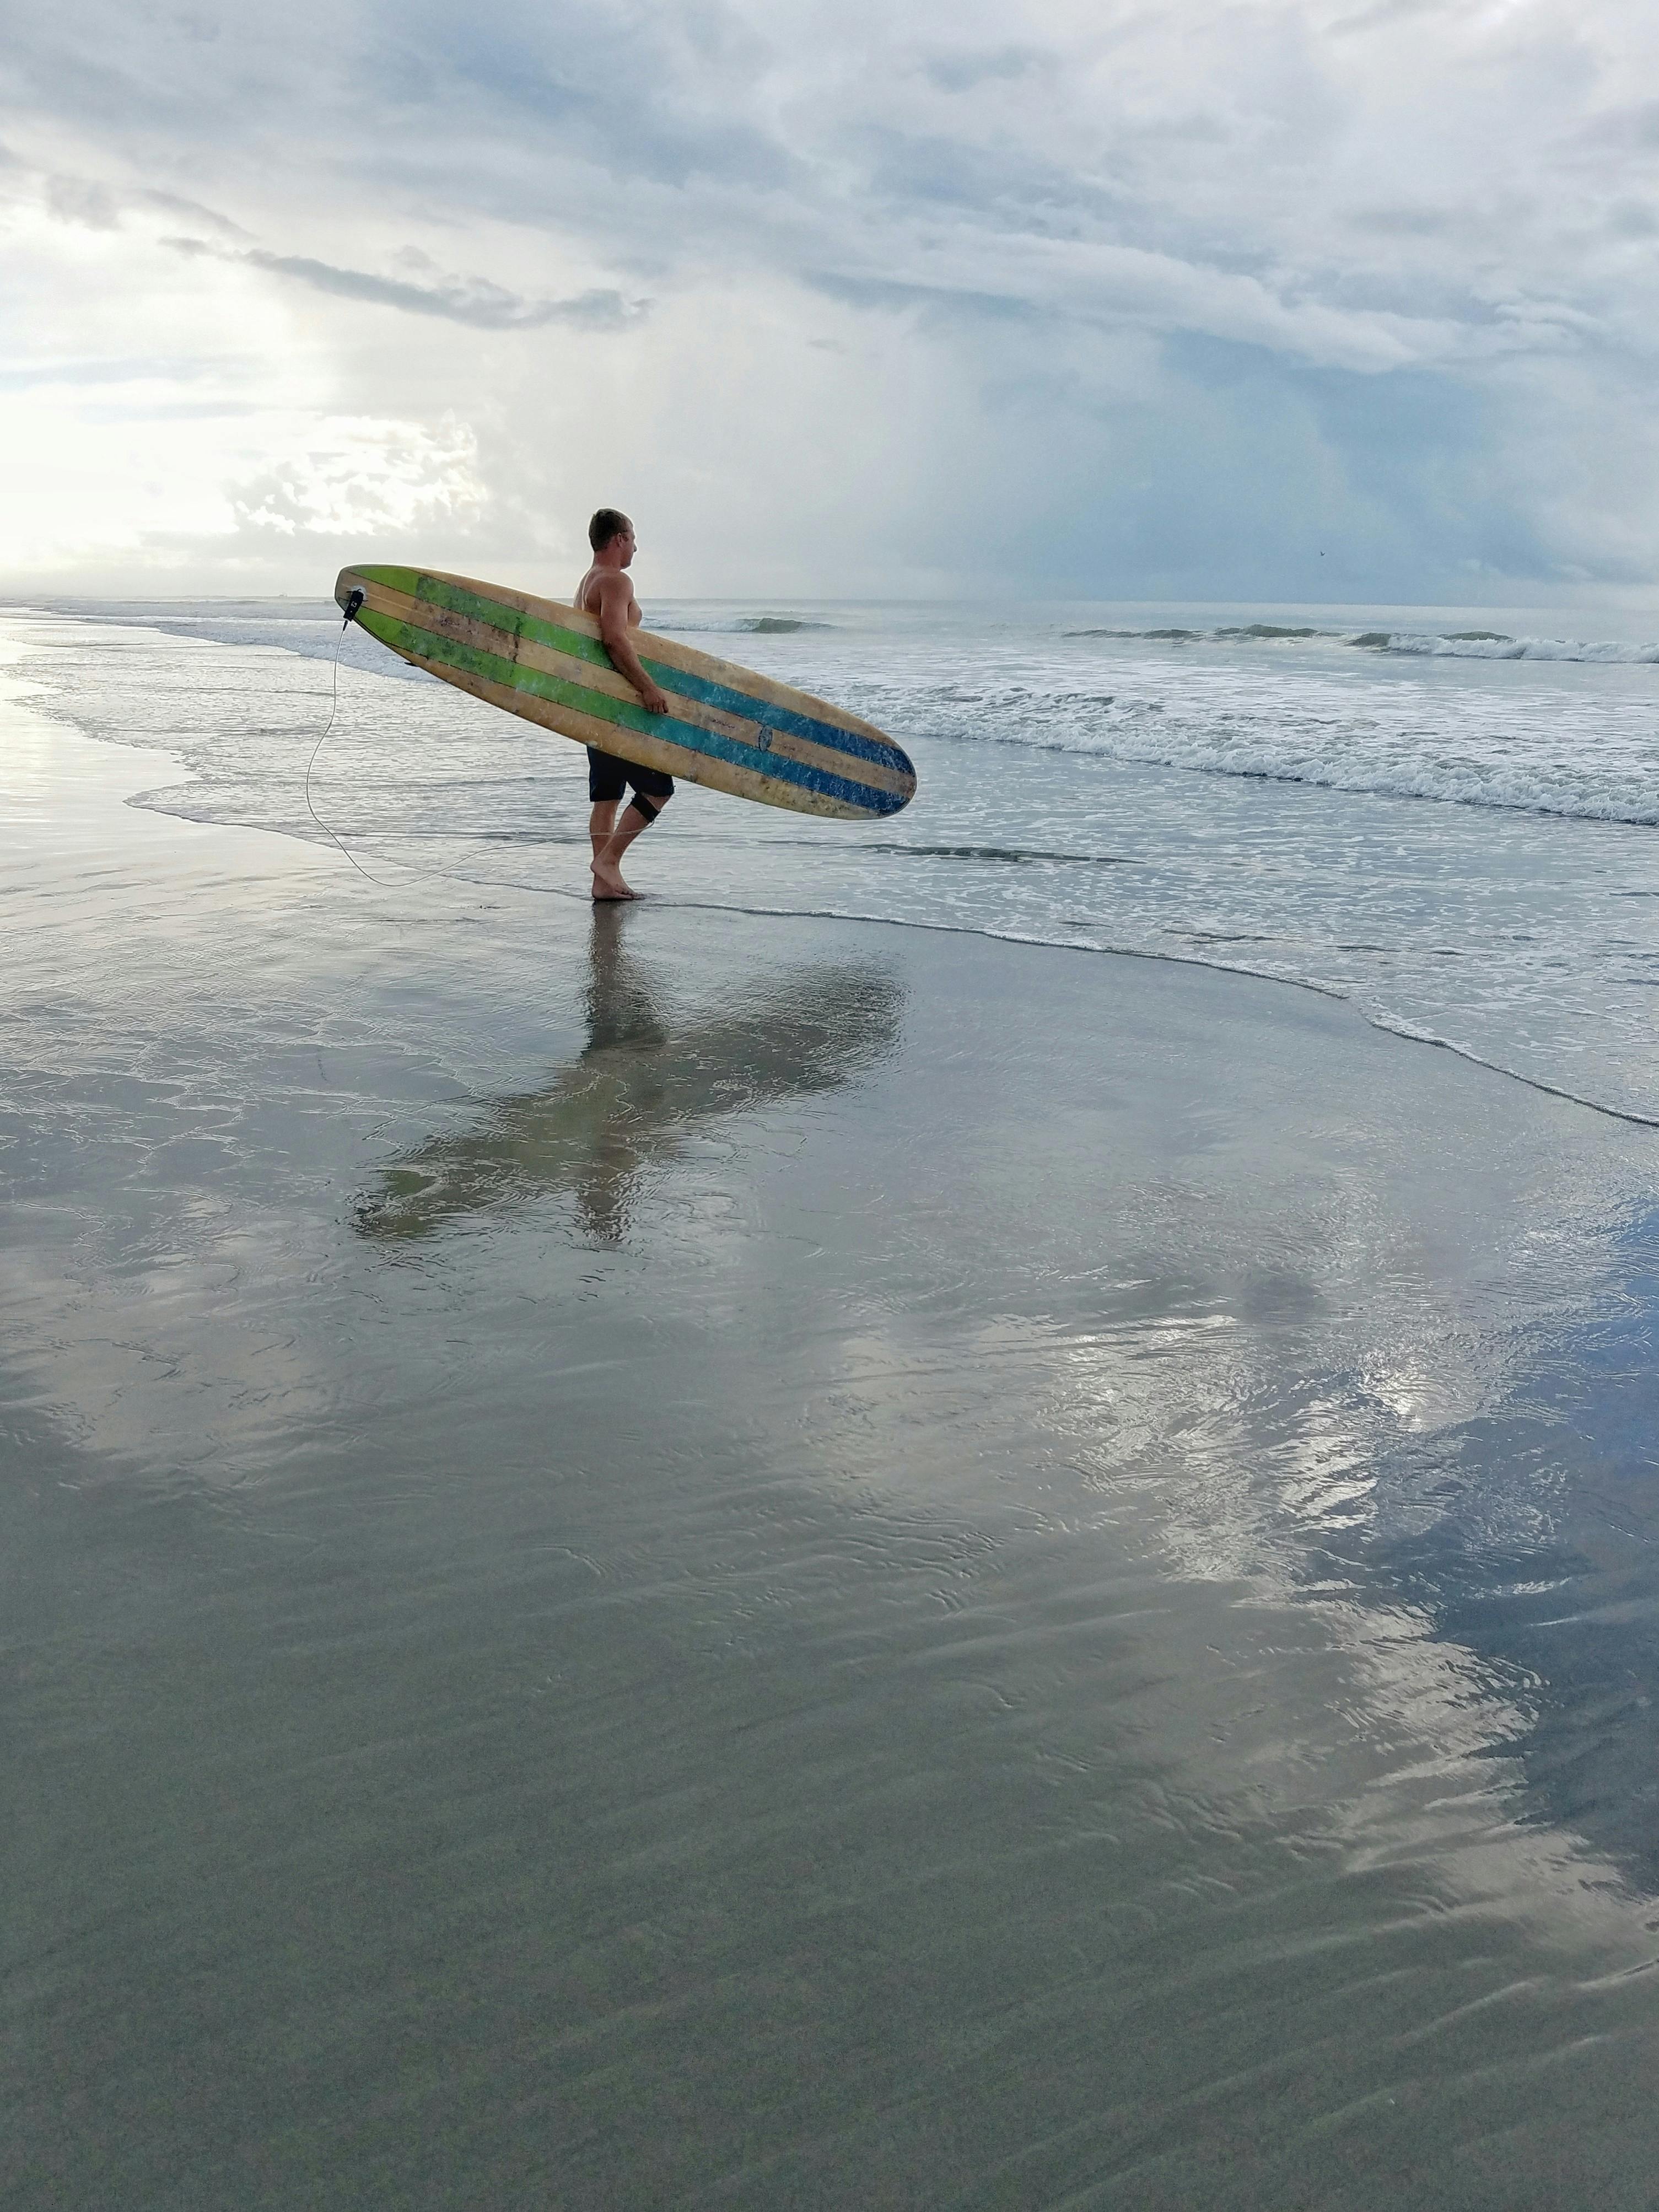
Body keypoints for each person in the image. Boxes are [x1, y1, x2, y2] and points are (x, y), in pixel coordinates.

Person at [575, 509, 671, 901]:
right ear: (618, 539)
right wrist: (648, 688)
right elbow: (615, 639)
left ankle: (604, 884)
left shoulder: (588, 582)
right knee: (659, 788)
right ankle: (609, 861)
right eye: (632, 537)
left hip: (594, 706)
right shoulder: (616, 580)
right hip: (617, 707)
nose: (635, 545)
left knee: (607, 796)